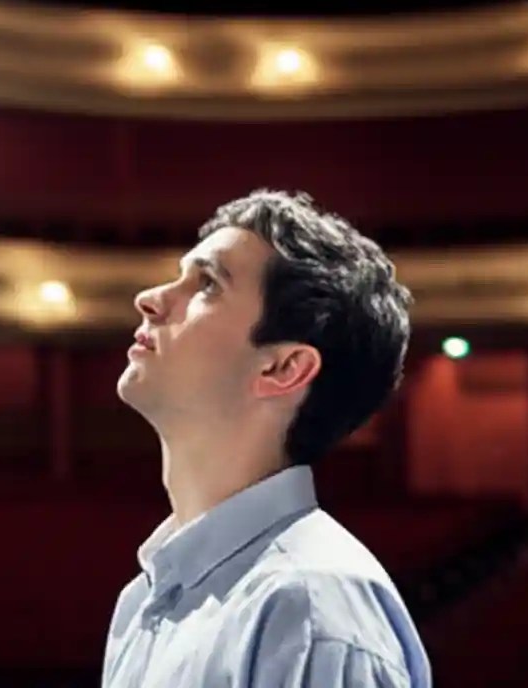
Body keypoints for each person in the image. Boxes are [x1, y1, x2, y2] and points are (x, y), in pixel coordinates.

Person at [103, 190, 431, 687]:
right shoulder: (140, 604)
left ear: (283, 367)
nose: (149, 299)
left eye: (208, 283)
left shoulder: (310, 610)